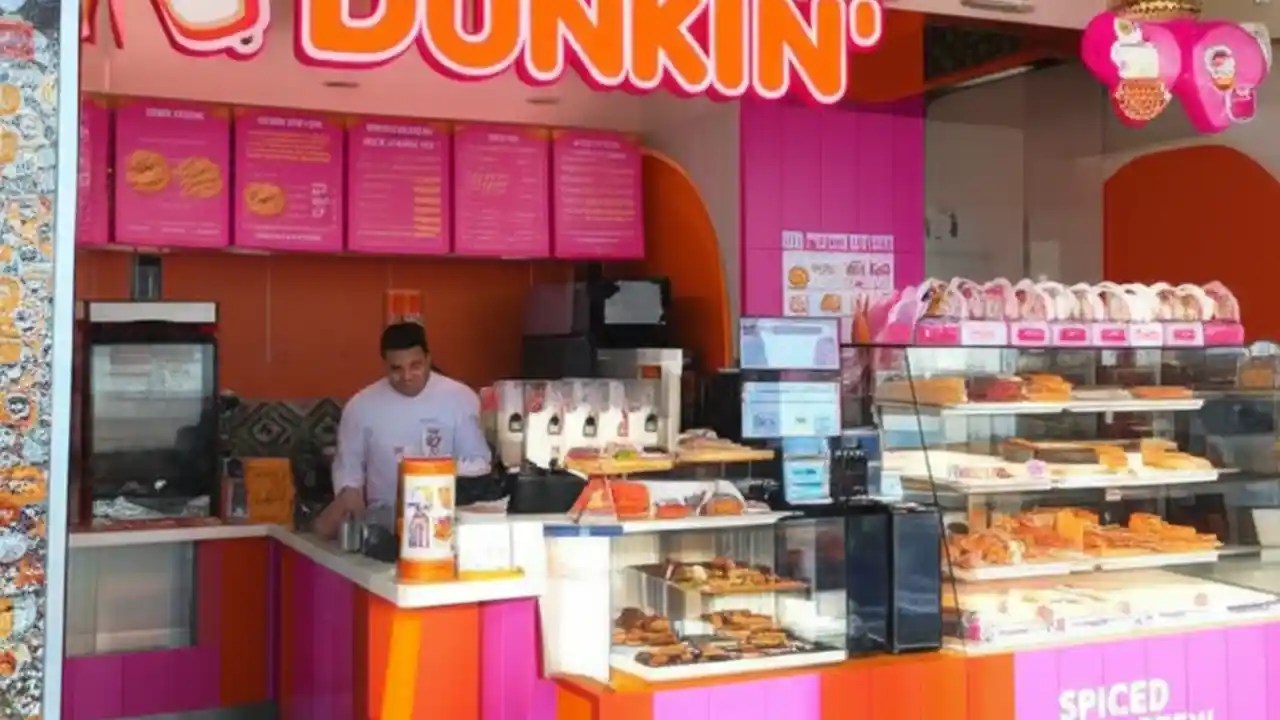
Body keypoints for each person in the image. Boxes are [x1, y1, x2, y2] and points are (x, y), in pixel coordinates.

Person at [315, 322, 491, 538]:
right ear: (385, 365)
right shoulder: (361, 406)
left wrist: (429, 475)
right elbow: (348, 470)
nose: (406, 376)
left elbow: (478, 462)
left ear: (428, 359)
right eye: (396, 368)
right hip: (383, 518)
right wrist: (349, 496)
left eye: (415, 365)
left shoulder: (460, 398)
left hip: (446, 517)